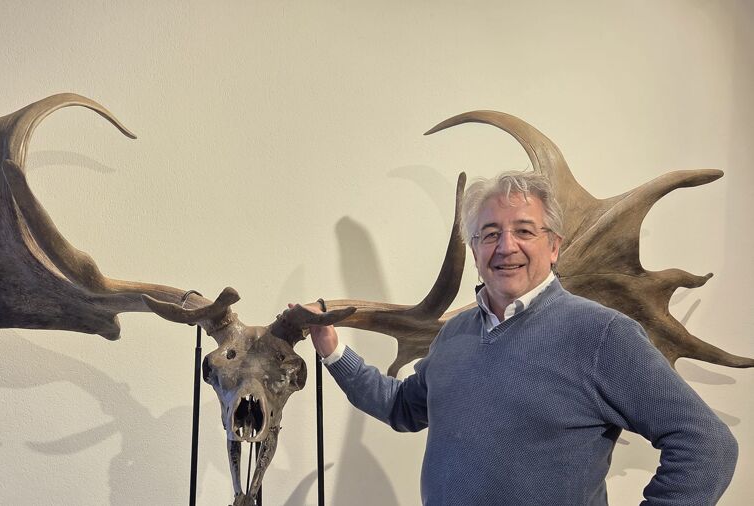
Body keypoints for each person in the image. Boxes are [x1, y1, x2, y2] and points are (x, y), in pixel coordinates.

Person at [304, 170, 738, 505]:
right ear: (475, 250)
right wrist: (332, 348)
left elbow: (707, 445)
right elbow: (402, 407)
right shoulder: (454, 336)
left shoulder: (603, 335)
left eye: (525, 231)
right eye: (490, 234)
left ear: (554, 246)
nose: (506, 246)